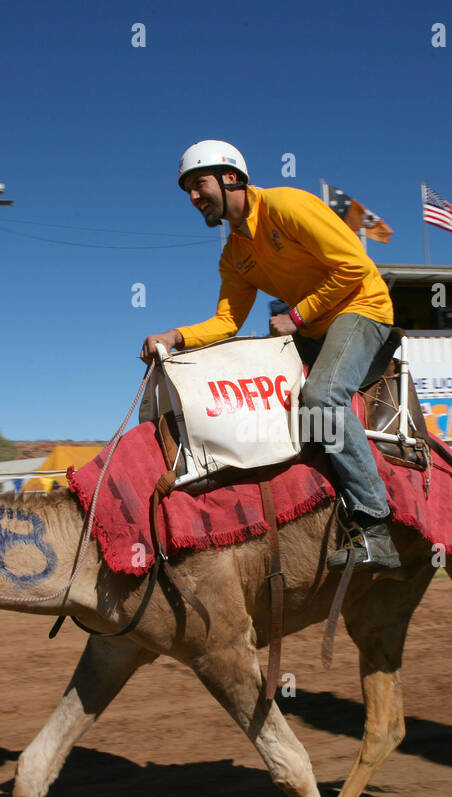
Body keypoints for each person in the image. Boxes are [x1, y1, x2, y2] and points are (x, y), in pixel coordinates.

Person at [140, 140, 400, 571]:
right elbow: (227, 322)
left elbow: (353, 265)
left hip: (362, 308)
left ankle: (375, 527)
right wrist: (174, 336)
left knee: (321, 399)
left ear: (231, 178)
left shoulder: (287, 205)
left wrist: (297, 315)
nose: (193, 197)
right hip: (312, 329)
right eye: (187, 189)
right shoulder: (234, 255)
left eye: (199, 184)